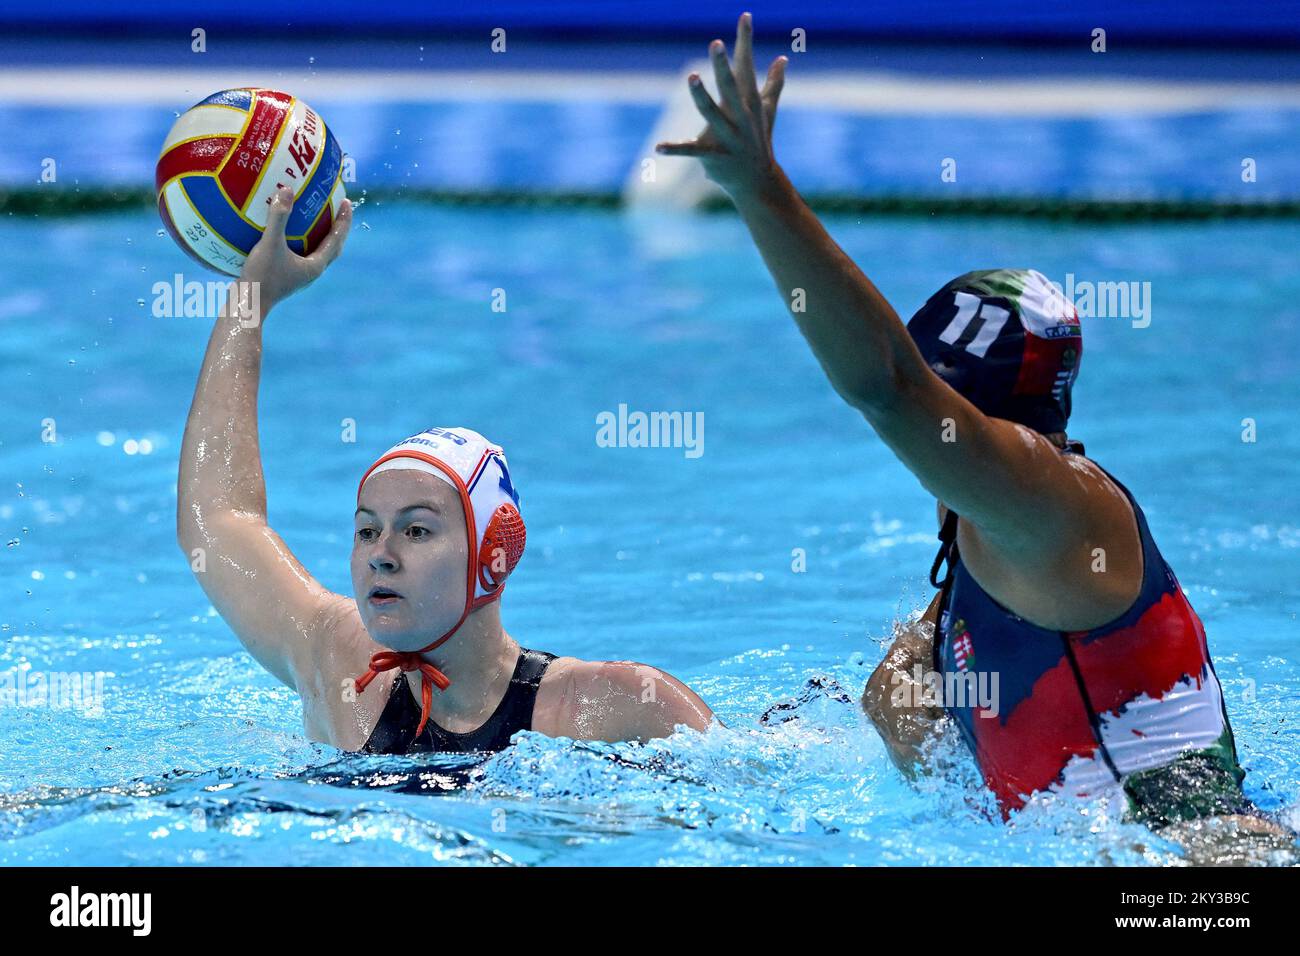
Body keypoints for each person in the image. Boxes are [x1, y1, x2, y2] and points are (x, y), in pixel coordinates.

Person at [659, 13, 1292, 854]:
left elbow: (884, 386)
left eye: (940, 404)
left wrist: (760, 192)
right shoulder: (958, 608)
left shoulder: (1064, 507)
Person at [177, 187, 713, 755]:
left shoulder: (615, 707)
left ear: (494, 552)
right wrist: (250, 303)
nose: (381, 552)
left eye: (416, 529)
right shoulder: (336, 663)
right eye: (366, 529)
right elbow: (218, 517)